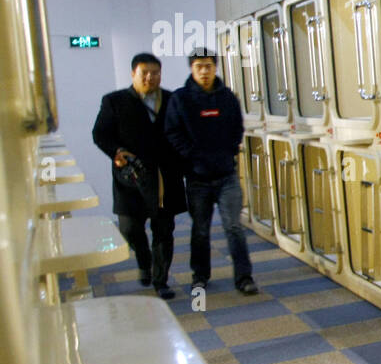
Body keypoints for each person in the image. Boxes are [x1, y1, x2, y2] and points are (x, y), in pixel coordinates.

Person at [92, 52, 188, 299]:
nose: (150, 77)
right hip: (131, 177)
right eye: (144, 72)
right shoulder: (114, 101)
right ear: (133, 73)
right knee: (130, 228)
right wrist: (116, 151)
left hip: (165, 176)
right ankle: (143, 260)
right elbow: (100, 134)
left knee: (164, 230)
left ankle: (161, 280)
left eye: (155, 73)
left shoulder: (172, 99)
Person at [164, 47, 259, 295]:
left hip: (226, 175)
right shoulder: (180, 98)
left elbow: (237, 129)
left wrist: (227, 153)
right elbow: (172, 132)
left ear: (215, 67)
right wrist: (192, 156)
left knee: (233, 227)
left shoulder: (227, 97)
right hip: (197, 178)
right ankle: (200, 276)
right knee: (201, 229)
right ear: (192, 69)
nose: (204, 71)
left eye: (208, 66)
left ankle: (244, 276)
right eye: (199, 67)